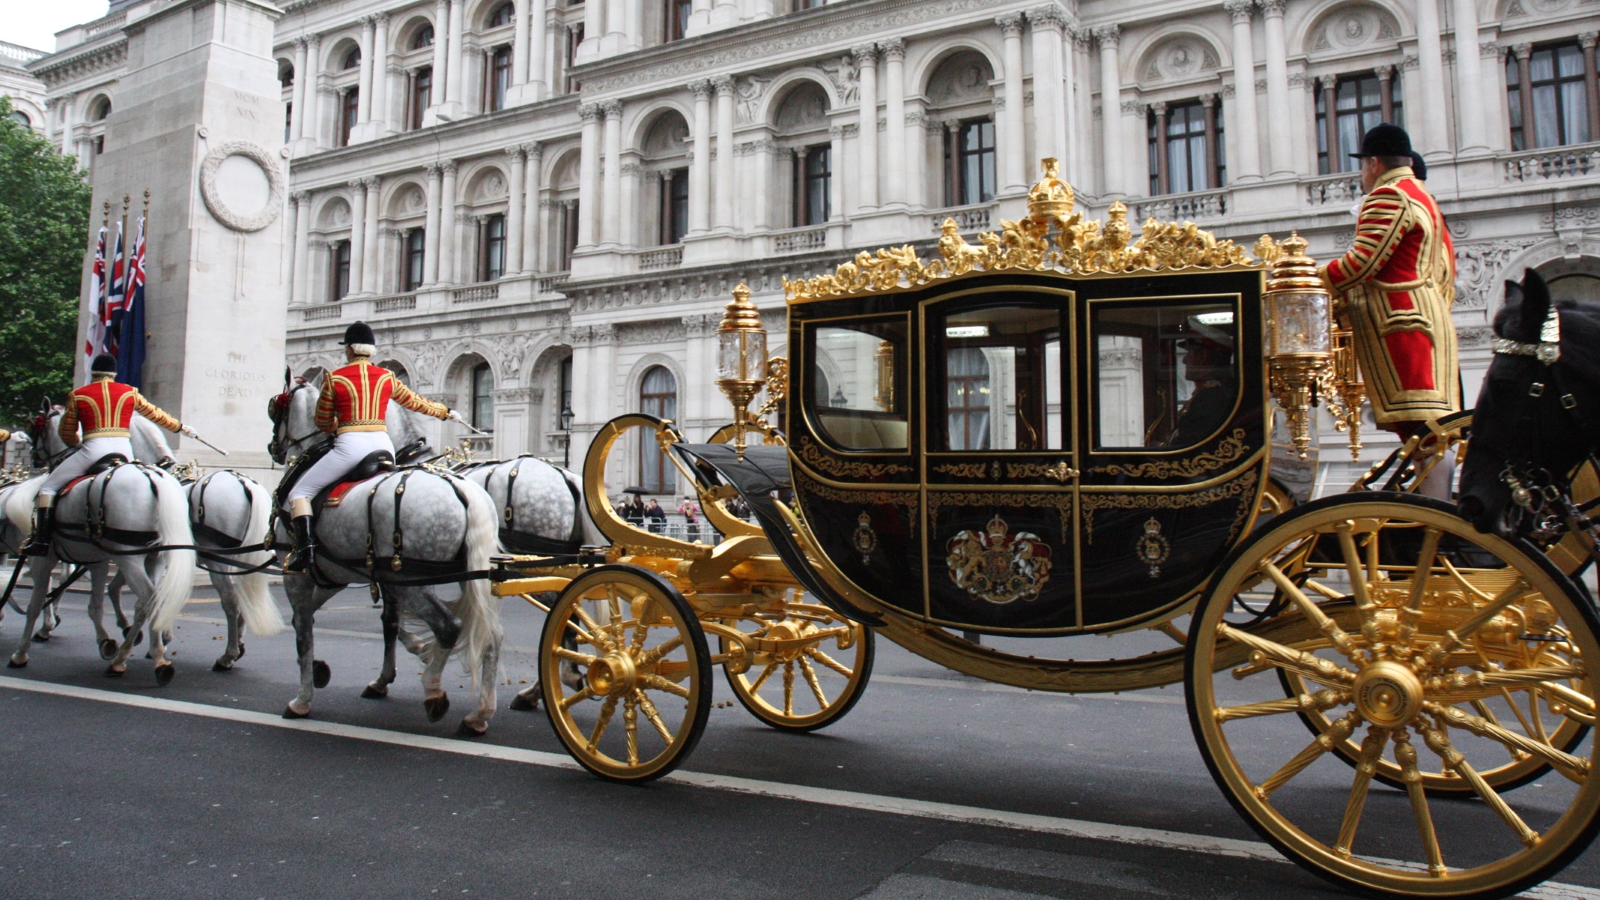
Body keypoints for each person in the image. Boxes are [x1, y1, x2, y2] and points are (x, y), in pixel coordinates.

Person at [1318, 124, 1458, 441]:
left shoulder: (1388, 195)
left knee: (1420, 429)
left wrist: (1310, 283)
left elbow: (1361, 262)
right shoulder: (1421, 196)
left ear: (1374, 164)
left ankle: (1430, 492)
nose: (1362, 176)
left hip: (1401, 326)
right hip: (1422, 322)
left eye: (1363, 166)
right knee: (1427, 429)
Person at [284, 322, 456, 574]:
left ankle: (306, 550)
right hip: (384, 446)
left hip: (350, 447)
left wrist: (336, 424)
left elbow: (321, 421)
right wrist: (445, 412)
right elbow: (415, 402)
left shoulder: (335, 378)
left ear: (351, 350)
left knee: (299, 493)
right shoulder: (387, 377)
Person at [23, 353, 188, 554]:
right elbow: (156, 415)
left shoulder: (79, 395)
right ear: (113, 373)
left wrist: (75, 443)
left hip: (93, 450)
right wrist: (180, 428)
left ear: (93, 372)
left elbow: (66, 431)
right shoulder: (130, 392)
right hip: (124, 452)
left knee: (48, 488)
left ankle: (41, 540)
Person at [1167, 333, 1237, 448]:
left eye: (1189, 353)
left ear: (1202, 356)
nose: (1184, 360)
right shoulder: (1213, 392)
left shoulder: (1212, 397)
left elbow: (1188, 445)